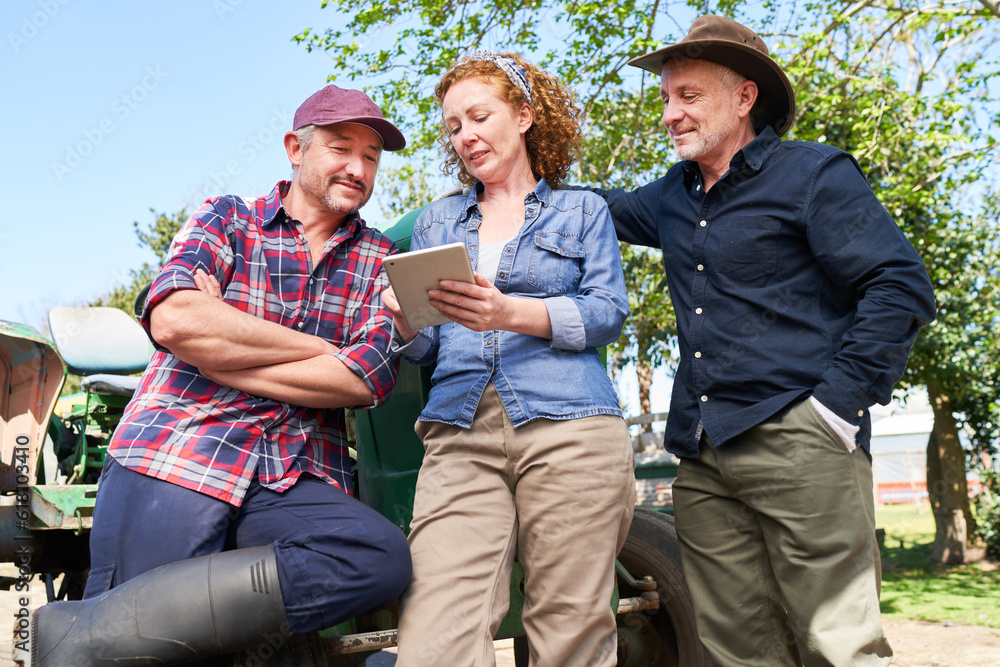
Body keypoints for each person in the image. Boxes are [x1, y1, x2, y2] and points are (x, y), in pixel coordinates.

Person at [588, 15, 938, 666]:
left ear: (745, 96)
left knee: (840, 649)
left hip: (804, 439)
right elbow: (591, 209)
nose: (670, 113)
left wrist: (835, 406)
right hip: (703, 457)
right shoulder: (671, 196)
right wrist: (512, 177)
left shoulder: (813, 175)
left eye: (687, 96)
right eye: (667, 97)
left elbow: (899, 285)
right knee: (737, 655)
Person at [30, 84, 413, 665]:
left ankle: (79, 631)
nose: (358, 168)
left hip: (294, 476)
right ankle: (86, 637)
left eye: (371, 157)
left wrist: (222, 350)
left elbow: (364, 379)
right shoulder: (227, 217)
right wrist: (320, 350)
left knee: (378, 557)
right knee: (153, 647)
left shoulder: (379, 260)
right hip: (177, 451)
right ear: (295, 147)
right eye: (341, 148)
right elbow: (178, 321)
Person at [385, 52, 635, 667]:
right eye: (453, 126)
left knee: (569, 625)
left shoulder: (582, 211)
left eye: (479, 116)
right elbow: (428, 346)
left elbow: (606, 311)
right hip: (459, 430)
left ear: (523, 116)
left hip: (570, 421)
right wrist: (402, 321)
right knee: (433, 632)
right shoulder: (438, 220)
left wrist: (510, 313)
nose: (466, 135)